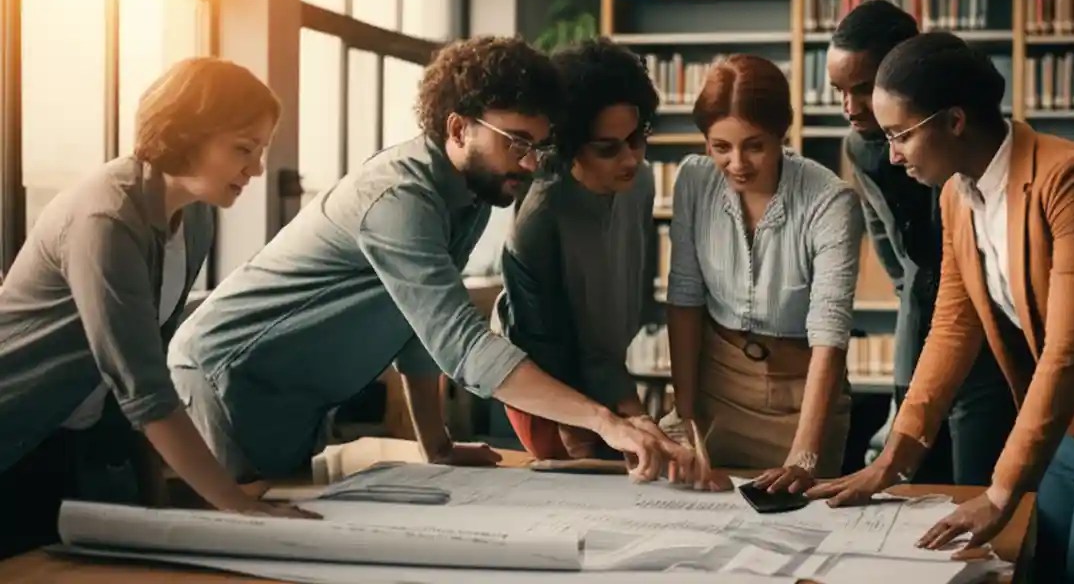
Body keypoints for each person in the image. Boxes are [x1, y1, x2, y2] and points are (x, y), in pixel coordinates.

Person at [167, 36, 690, 489]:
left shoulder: (474, 194)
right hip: (222, 383)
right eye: (517, 143)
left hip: (289, 405)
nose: (530, 163)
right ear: (459, 128)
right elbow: (460, 342)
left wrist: (436, 445)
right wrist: (605, 421)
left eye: (539, 145)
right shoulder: (398, 198)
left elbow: (418, 331)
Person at [807, 32, 1074, 584]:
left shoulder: (1071, 179)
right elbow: (953, 327)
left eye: (900, 135)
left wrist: (1000, 491)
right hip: (1069, 420)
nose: (892, 154)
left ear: (954, 121)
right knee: (1034, 563)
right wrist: (893, 460)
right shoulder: (957, 194)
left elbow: (1069, 350)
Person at [0, 58, 310, 559]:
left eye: (260, 151)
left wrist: (164, 503)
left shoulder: (197, 219)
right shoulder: (106, 216)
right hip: (14, 432)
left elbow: (150, 370)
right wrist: (234, 506)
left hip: (77, 445)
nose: (255, 169)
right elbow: (141, 386)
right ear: (187, 134)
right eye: (243, 149)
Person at [827, 0, 1016, 484]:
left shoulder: (963, 146)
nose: (850, 107)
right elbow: (892, 256)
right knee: (914, 475)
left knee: (978, 475)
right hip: (922, 320)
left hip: (987, 330)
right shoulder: (859, 151)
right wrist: (917, 300)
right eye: (839, 92)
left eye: (864, 89)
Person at [662, 53, 862, 492]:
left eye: (754, 145)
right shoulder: (694, 181)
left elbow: (830, 330)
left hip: (803, 396)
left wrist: (805, 453)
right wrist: (686, 414)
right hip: (717, 384)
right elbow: (684, 297)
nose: (737, 163)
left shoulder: (830, 201)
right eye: (720, 147)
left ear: (781, 132)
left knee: (800, 522)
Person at [497, 38, 661, 460]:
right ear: (569, 145)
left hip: (606, 369)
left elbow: (616, 320)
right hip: (548, 384)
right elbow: (554, 350)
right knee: (583, 483)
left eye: (637, 139)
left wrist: (632, 413)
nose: (629, 158)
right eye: (607, 148)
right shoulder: (539, 220)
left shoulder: (640, 182)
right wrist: (616, 420)